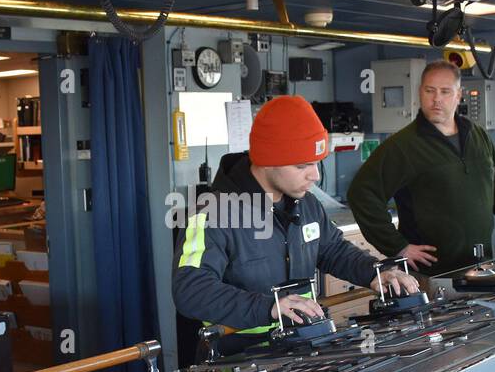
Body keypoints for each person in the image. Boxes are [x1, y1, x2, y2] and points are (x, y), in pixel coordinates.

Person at [173, 94, 419, 334]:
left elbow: (334, 251)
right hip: (240, 352)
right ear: (267, 161)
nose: (315, 175)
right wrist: (268, 308)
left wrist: (375, 272)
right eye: (302, 165)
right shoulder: (214, 213)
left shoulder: (306, 204)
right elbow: (191, 289)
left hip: (302, 342)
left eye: (317, 162)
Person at [348, 60, 495, 277]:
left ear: (458, 95)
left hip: (481, 269)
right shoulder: (402, 146)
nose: (436, 99)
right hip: (430, 275)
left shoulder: (478, 137)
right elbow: (362, 194)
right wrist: (398, 247)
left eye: (445, 91)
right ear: (420, 92)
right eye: (430, 90)